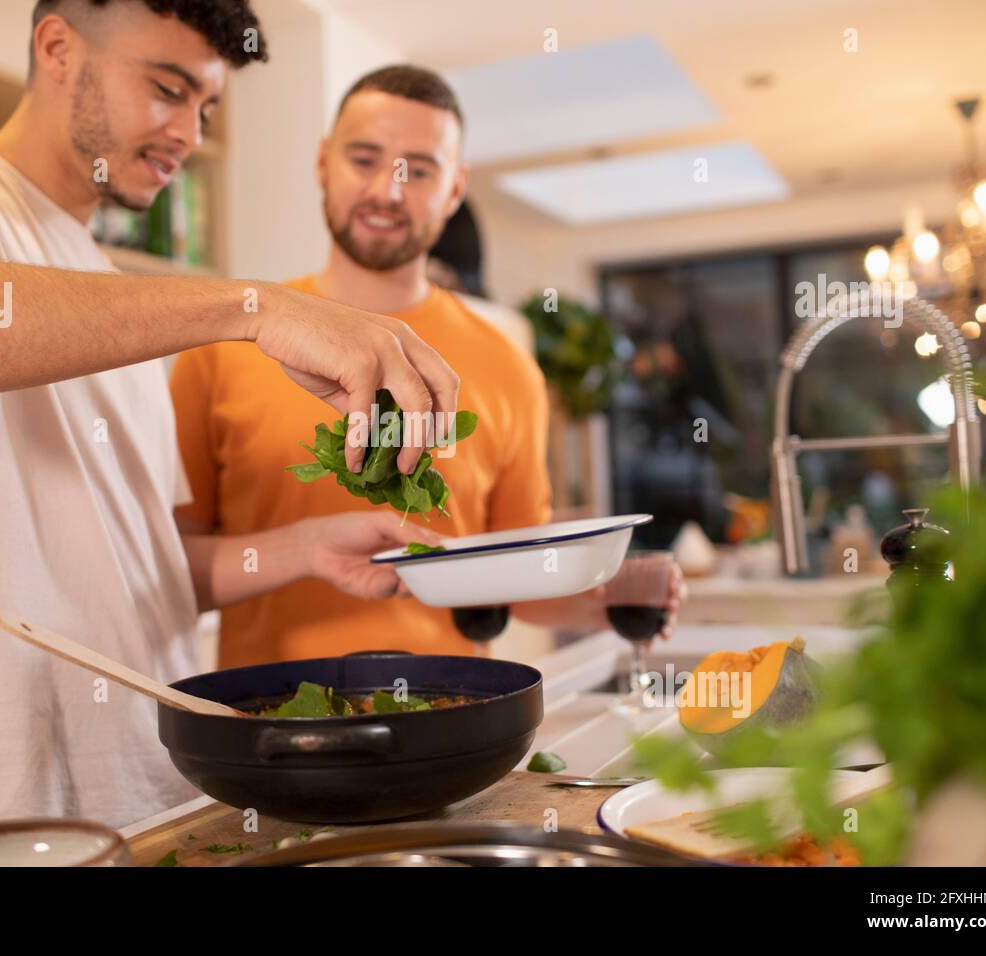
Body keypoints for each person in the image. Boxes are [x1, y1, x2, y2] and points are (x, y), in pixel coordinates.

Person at [0, 0, 460, 844]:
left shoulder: (111, 291)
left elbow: (147, 574)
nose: (188, 130)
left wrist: (304, 550)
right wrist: (252, 305)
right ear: (58, 48)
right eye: (167, 88)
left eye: (207, 108)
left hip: (149, 814)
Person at [171, 65, 682, 669]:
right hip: (265, 730)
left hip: (456, 717)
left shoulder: (508, 366)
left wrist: (604, 593)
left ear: (456, 188)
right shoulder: (229, 342)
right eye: (364, 160)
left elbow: (515, 580)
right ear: (322, 162)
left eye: (417, 170)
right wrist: (299, 550)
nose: (388, 191)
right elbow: (171, 573)